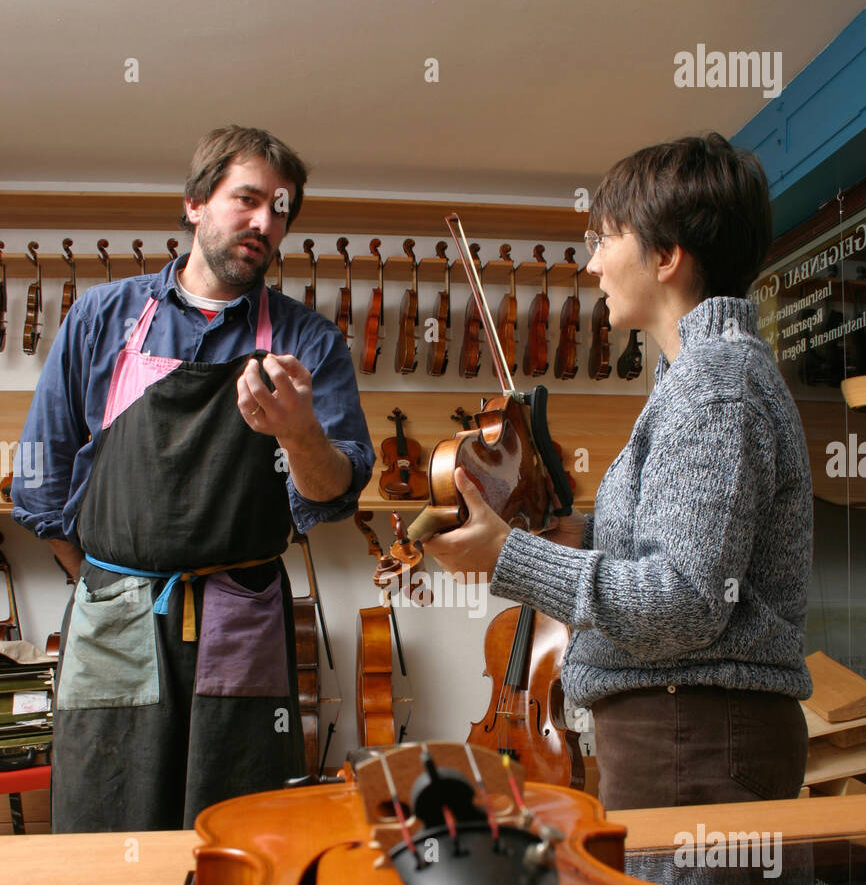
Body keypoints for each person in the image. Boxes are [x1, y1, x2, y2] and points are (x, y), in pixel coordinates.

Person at [426, 133, 814, 815]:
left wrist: (511, 557)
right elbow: (668, 560)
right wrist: (569, 532)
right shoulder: (695, 378)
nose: (593, 264)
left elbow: (687, 602)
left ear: (666, 257)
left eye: (606, 239)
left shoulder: (716, 382)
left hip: (691, 735)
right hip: (683, 730)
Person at [12, 125, 374, 832]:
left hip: (241, 615)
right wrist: (104, 581)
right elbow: (40, 480)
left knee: (237, 824)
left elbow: (335, 494)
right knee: (103, 813)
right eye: (247, 199)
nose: (264, 222)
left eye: (281, 209)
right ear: (195, 204)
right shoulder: (101, 318)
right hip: (114, 616)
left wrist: (299, 431)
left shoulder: (308, 344)